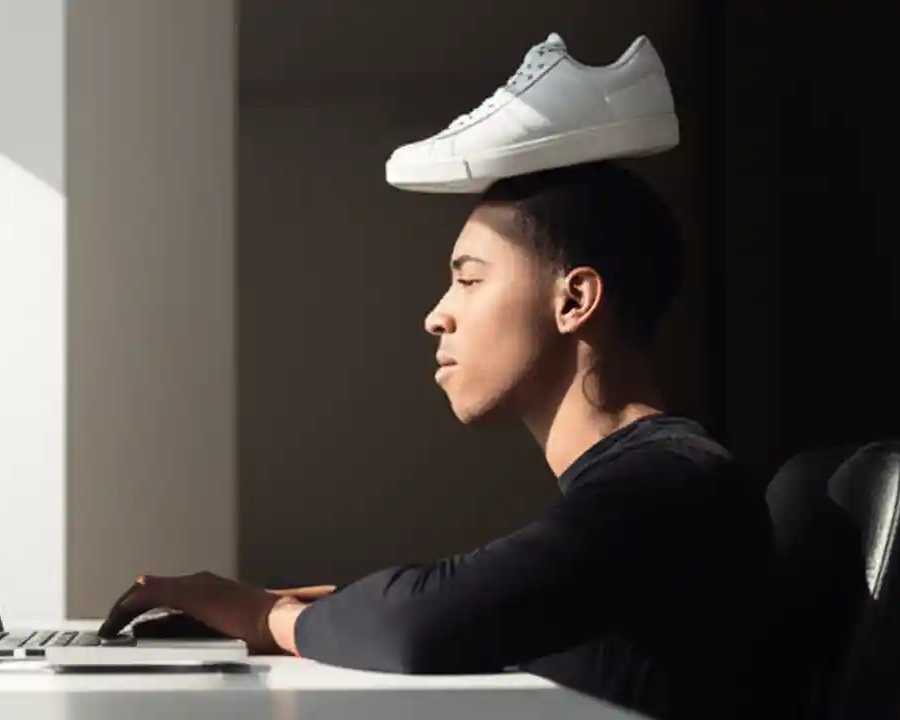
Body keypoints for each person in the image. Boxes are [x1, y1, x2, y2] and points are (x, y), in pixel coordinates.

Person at [96, 161, 776, 720]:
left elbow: (419, 626)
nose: (436, 315)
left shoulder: (668, 487)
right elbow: (461, 599)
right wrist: (304, 611)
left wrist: (267, 615)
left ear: (574, 301)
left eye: (469, 279)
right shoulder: (650, 484)